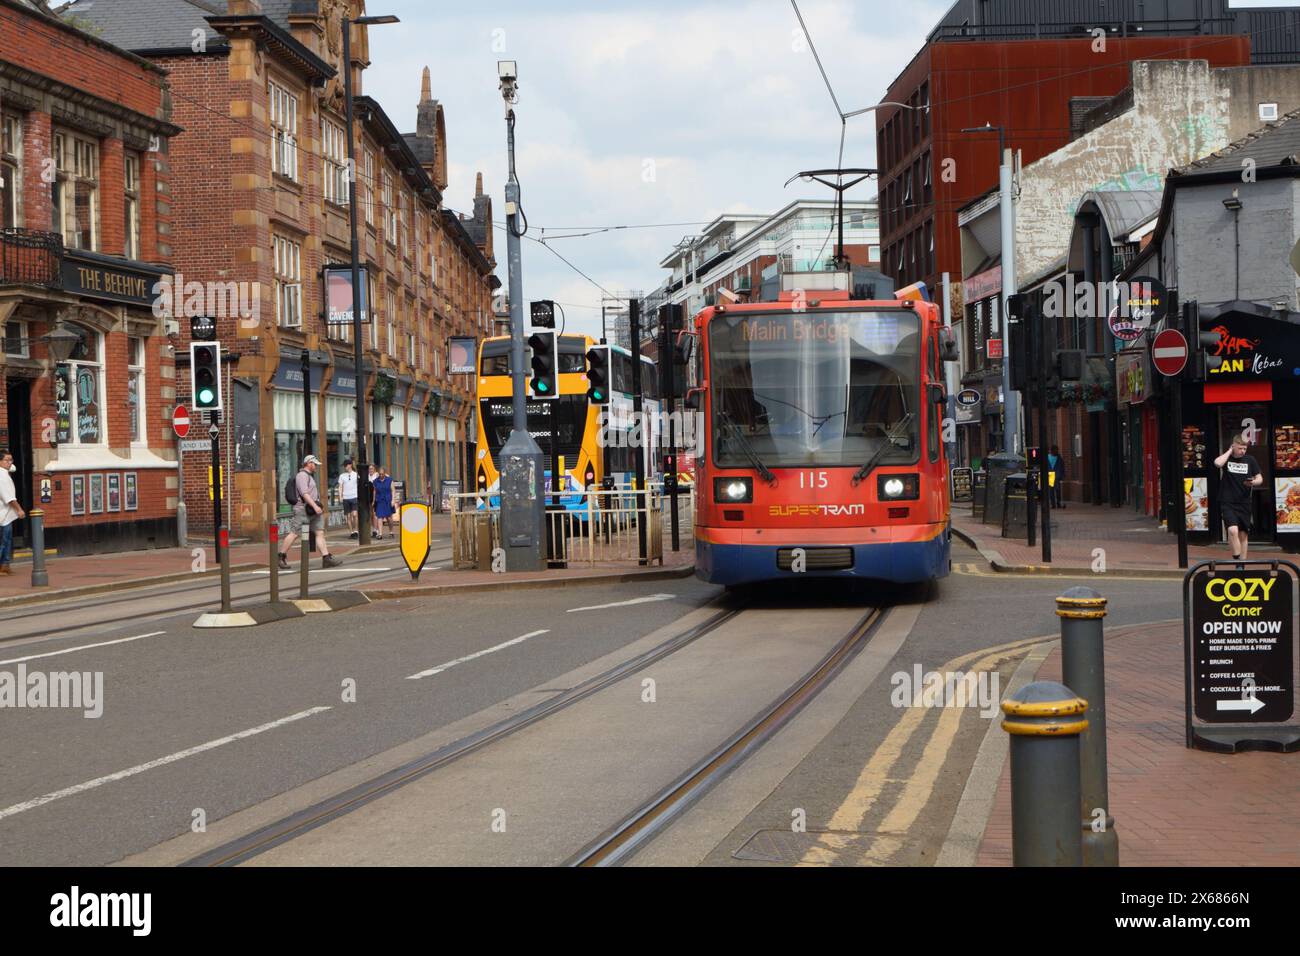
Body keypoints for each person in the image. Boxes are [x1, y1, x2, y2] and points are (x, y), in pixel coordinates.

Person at [279, 454, 341, 569]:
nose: (316, 466)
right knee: (294, 533)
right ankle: (281, 556)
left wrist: (316, 506)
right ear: (309, 463)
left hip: (313, 510)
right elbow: (304, 493)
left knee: (319, 532)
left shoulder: (309, 476)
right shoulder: (302, 476)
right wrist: (315, 506)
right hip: (303, 509)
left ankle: (326, 558)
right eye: (315, 464)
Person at [1213, 433, 1263, 560]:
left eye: (1245, 448)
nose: (1242, 451)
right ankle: (1236, 557)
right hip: (1227, 500)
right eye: (1240, 448)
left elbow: (1259, 478)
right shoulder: (1227, 459)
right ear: (1233, 446)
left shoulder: (1250, 460)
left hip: (1244, 501)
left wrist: (1253, 482)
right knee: (1232, 531)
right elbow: (1217, 463)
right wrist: (1229, 451)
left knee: (1243, 535)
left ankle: (1242, 564)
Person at [0, 448, 25, 576]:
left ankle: (5, 565)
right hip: (3, 515)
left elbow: (13, 468)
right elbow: (8, 498)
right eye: (7, 460)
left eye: (11, 460)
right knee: (4, 541)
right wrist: (19, 509)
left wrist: (8, 462)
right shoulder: (2, 476)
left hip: (6, 516)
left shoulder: (5, 472)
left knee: (7, 540)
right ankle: (2, 566)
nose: (10, 463)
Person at [338, 458, 359, 539]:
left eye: (345, 465)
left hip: (354, 497)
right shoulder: (342, 476)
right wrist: (340, 496)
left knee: (354, 515)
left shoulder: (356, 474)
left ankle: (356, 530)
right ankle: (351, 532)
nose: (344, 467)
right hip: (346, 498)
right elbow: (340, 487)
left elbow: (359, 485)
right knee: (348, 516)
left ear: (350, 465)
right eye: (344, 466)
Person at [372, 466, 395, 538]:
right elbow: (374, 491)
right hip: (380, 500)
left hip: (388, 500)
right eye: (380, 474)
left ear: (385, 473)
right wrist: (373, 500)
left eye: (382, 474)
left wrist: (393, 500)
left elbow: (393, 490)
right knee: (379, 517)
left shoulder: (389, 480)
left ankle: (391, 531)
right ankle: (380, 534)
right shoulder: (375, 481)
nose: (381, 475)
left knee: (389, 518)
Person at [1047, 444, 1065, 509]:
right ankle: (1053, 504)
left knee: (1057, 490)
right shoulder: (1047, 457)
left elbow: (1062, 467)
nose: (1057, 451)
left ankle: (1058, 503)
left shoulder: (1059, 458)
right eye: (1055, 450)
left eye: (1057, 450)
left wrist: (1062, 475)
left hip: (1057, 475)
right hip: (1050, 475)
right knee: (1051, 491)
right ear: (1052, 451)